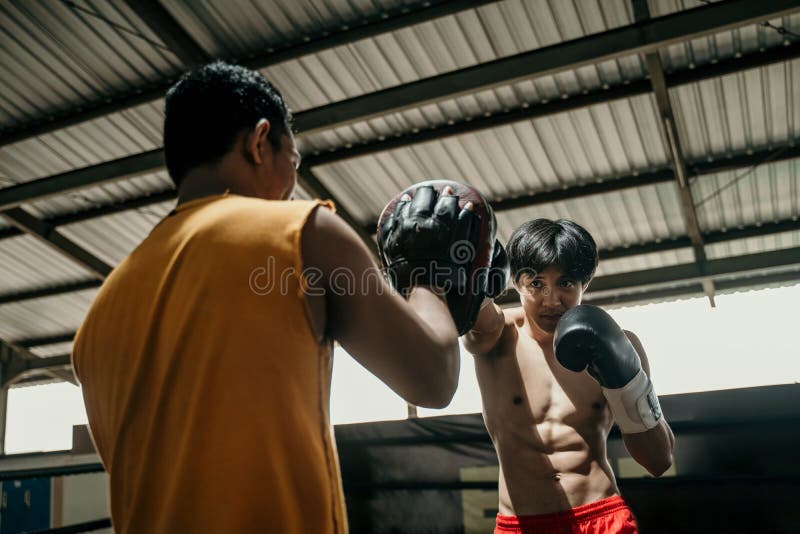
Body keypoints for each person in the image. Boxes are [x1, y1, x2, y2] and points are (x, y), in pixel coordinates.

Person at [71, 61, 468, 533]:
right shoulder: (301, 234)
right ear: (260, 143)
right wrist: (426, 273)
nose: (292, 189)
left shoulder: (97, 318)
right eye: (293, 162)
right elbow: (434, 378)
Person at [463, 218, 675, 533]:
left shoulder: (619, 344)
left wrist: (626, 380)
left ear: (584, 284)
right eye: (536, 283)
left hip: (600, 519)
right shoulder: (497, 335)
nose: (552, 300)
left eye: (566, 283)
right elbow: (475, 324)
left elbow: (659, 461)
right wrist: (467, 274)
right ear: (515, 283)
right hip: (521, 525)